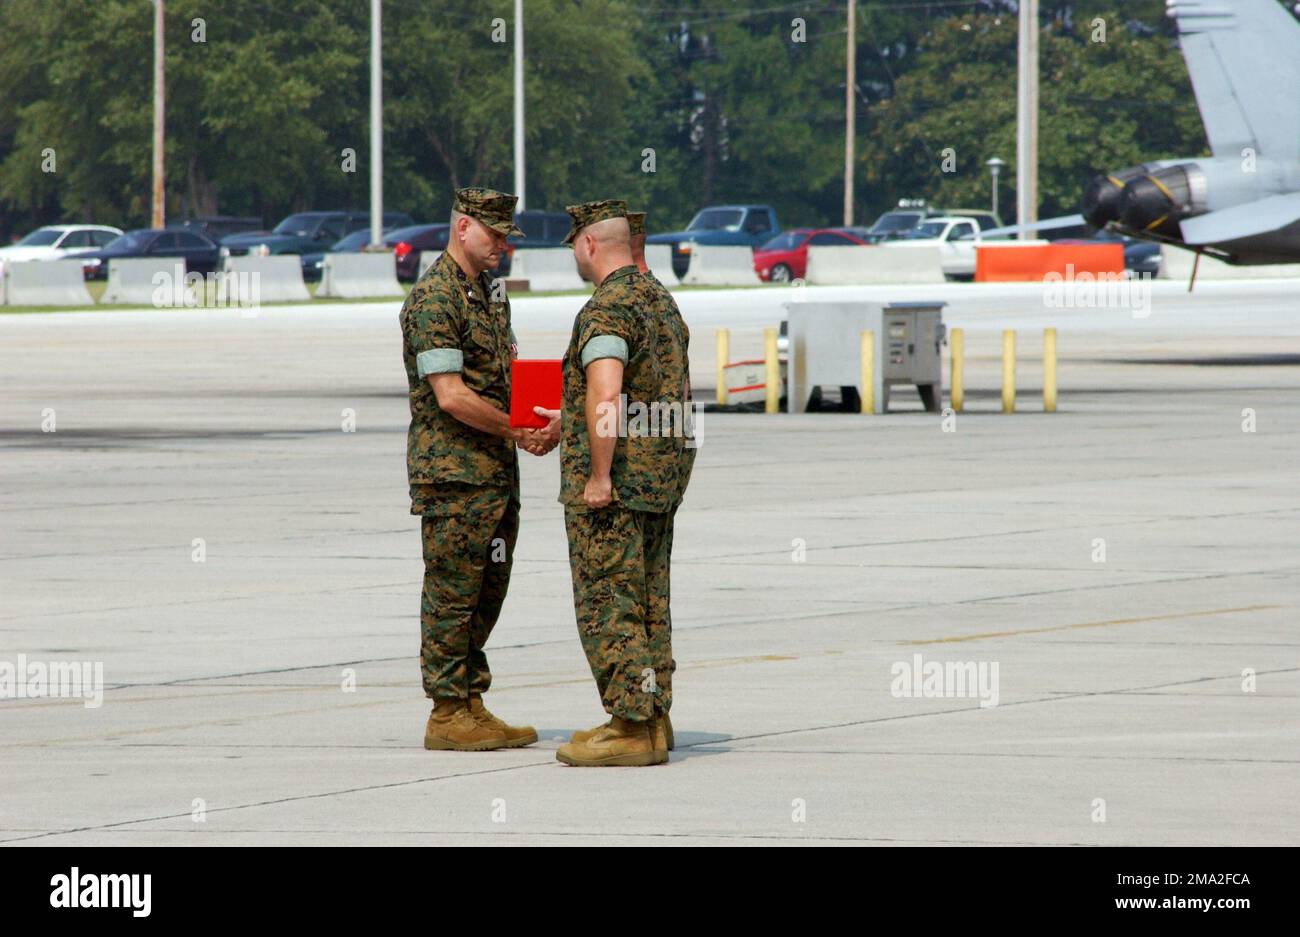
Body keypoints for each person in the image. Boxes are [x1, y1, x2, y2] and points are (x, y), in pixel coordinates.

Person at [398, 186, 560, 752]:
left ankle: (470, 700)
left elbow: (507, 372)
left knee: (488, 589)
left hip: (493, 471)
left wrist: (540, 417)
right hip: (454, 476)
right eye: (493, 235)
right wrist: (515, 430)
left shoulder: (487, 295)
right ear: (463, 227)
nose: (501, 247)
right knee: (452, 592)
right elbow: (450, 396)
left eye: (506, 237)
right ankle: (446, 712)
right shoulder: (435, 299)